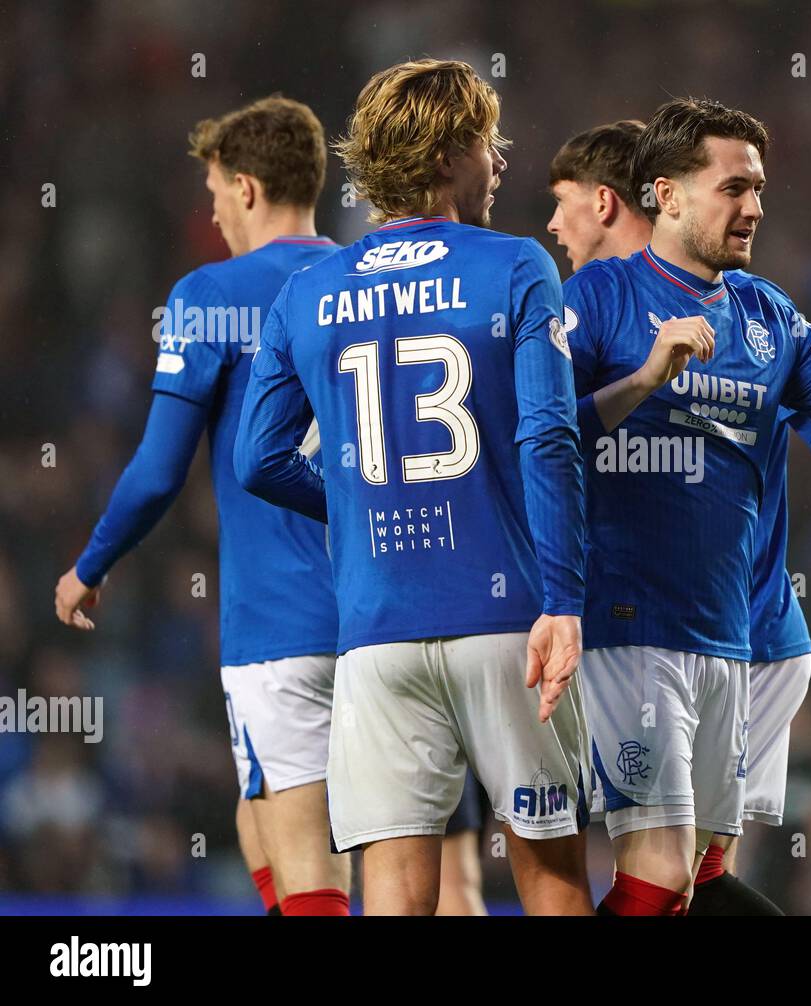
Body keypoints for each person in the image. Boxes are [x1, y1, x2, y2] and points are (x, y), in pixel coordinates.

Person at [234, 59, 592, 915]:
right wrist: (566, 597)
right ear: (443, 158)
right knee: (553, 882)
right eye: (484, 143)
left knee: (393, 896)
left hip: (375, 634)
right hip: (507, 620)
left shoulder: (308, 291)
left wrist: (359, 506)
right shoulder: (516, 266)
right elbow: (550, 436)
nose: (499, 162)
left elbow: (258, 460)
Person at [563, 97, 811, 915]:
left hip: (730, 635)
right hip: (629, 624)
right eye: (734, 188)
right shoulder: (598, 299)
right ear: (667, 194)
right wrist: (642, 381)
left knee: (690, 883)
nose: (755, 207)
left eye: (759, 188)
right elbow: (543, 443)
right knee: (656, 876)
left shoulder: (770, 318)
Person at [54, 97, 350, 916]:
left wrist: (89, 565)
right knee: (260, 822)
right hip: (382, 611)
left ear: (248, 188)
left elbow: (157, 471)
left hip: (279, 623)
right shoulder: (364, 283)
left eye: (216, 189)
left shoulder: (210, 293)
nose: (212, 210)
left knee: (308, 864)